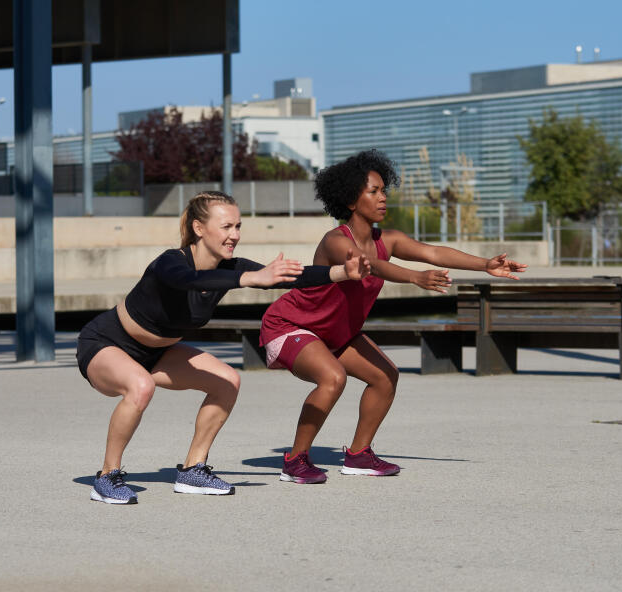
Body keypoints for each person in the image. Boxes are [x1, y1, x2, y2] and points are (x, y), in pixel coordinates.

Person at [79, 190, 370, 504]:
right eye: (227, 227)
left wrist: (341, 273)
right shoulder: (170, 263)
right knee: (140, 386)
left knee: (228, 381)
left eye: (238, 226)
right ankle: (107, 476)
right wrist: (249, 278)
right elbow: (190, 280)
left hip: (157, 353)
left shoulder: (231, 267)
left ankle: (193, 469)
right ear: (199, 229)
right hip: (107, 344)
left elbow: (287, 278)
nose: (235, 235)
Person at [259, 149, 528, 484]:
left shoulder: (388, 238)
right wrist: (414, 277)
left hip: (334, 333)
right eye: (373, 191)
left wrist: (485, 264)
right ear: (351, 201)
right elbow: (369, 265)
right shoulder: (335, 241)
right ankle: (295, 459)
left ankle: (358, 455)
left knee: (385, 376)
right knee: (333, 378)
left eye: (384, 190)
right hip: (291, 325)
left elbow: (433, 252)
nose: (383, 197)